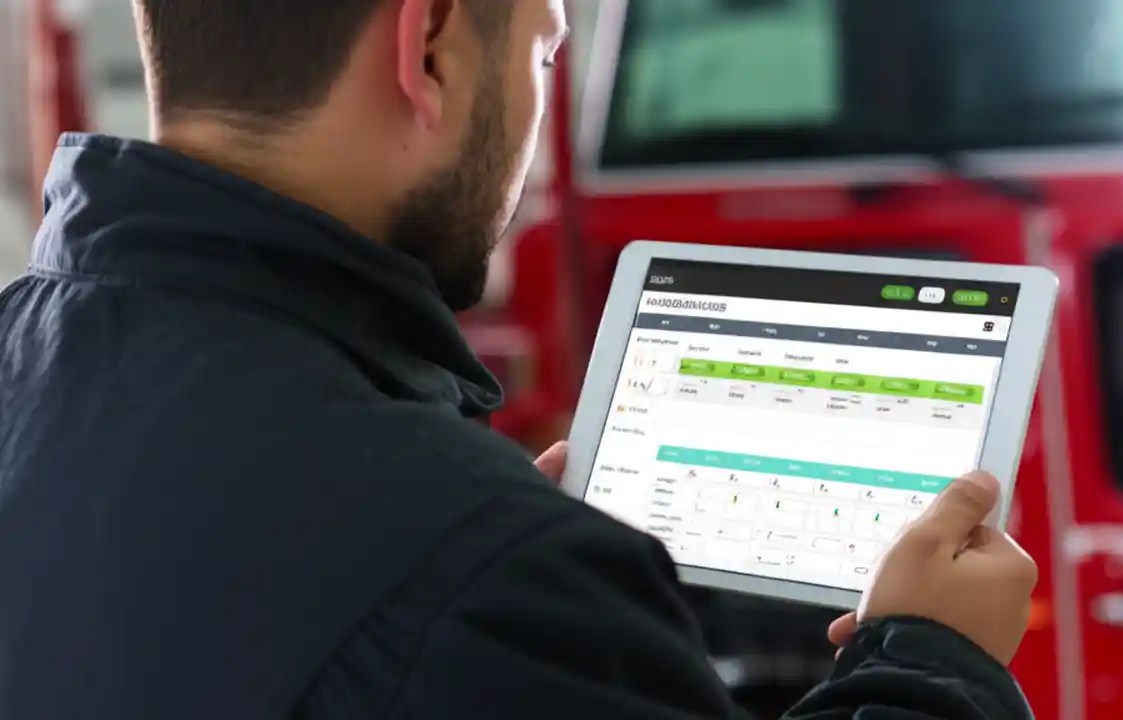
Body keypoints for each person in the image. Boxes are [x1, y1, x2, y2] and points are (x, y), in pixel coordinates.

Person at [0, 1, 1037, 717]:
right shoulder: (477, 567)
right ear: (432, 43)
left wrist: (549, 594)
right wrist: (929, 664)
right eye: (543, 50)